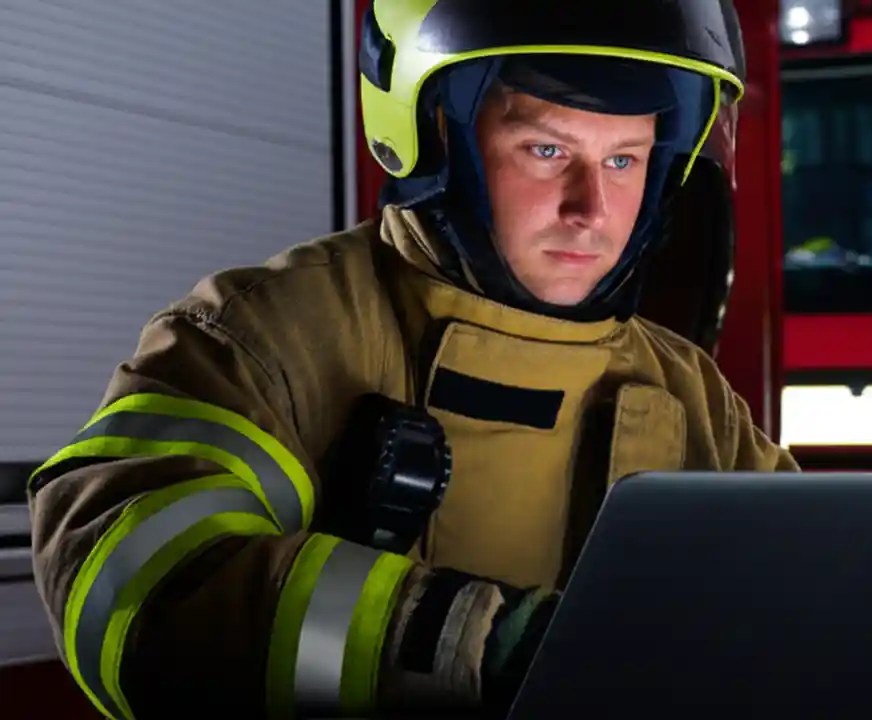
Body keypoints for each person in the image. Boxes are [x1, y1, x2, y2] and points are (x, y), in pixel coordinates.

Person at [25, 1, 797, 718]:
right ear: (435, 134)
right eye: (546, 148)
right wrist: (463, 639)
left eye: (624, 161)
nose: (590, 209)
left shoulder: (687, 388)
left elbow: (816, 575)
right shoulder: (269, 334)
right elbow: (128, 583)